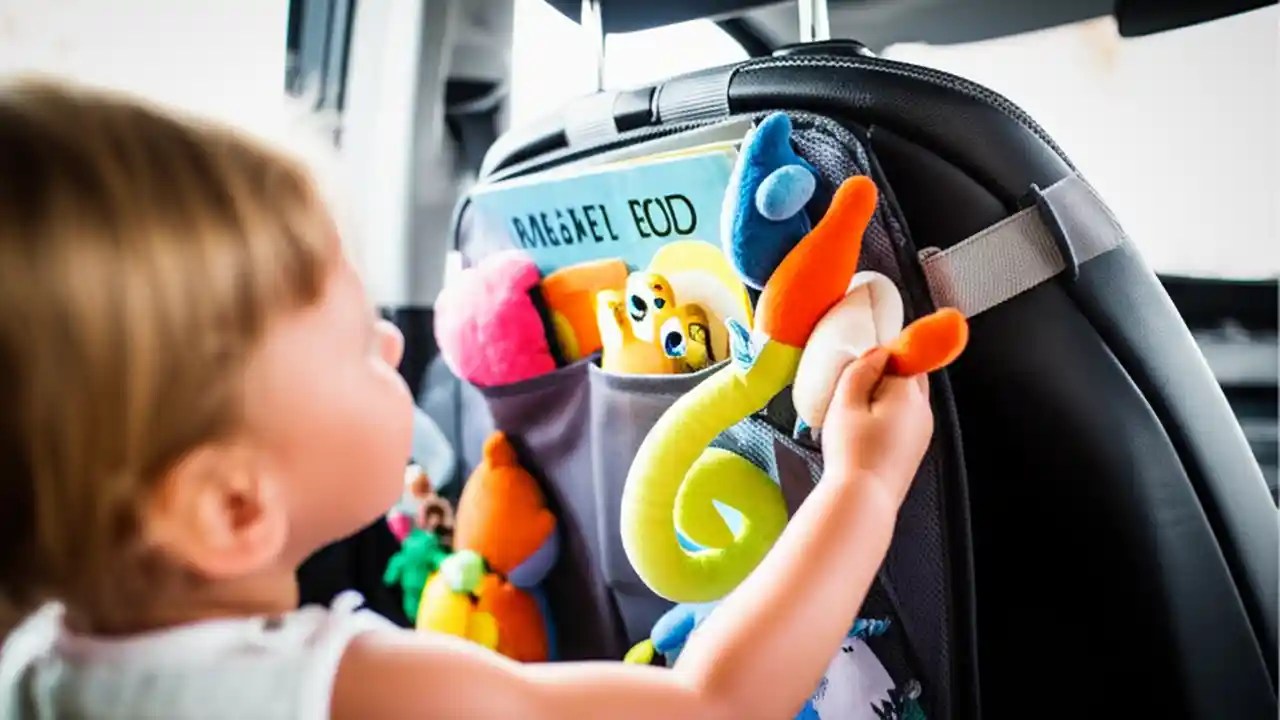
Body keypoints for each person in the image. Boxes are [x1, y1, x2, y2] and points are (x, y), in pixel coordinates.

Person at [0, 80, 934, 720]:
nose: (393, 343)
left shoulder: (36, 670)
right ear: (231, 506)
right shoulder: (359, 692)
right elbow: (714, 705)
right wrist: (860, 486)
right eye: (351, 336)